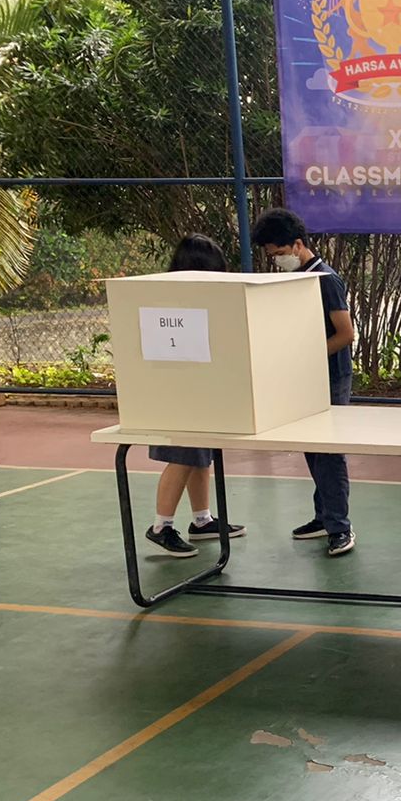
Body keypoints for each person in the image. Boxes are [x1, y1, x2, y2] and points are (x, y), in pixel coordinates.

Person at [251, 207, 355, 557]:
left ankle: (341, 526)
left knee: (328, 454)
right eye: (271, 256)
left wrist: (307, 356)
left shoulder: (326, 279)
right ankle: (324, 515)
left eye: (279, 254)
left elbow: (346, 333)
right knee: (313, 450)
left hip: (330, 379)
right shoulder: (295, 279)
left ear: (297, 245)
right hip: (305, 379)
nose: (276, 261)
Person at [142, 234, 247, 558]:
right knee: (183, 455)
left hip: (201, 391)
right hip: (177, 393)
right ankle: (161, 527)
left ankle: (201, 520)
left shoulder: (203, 300)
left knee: (201, 455)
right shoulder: (168, 302)